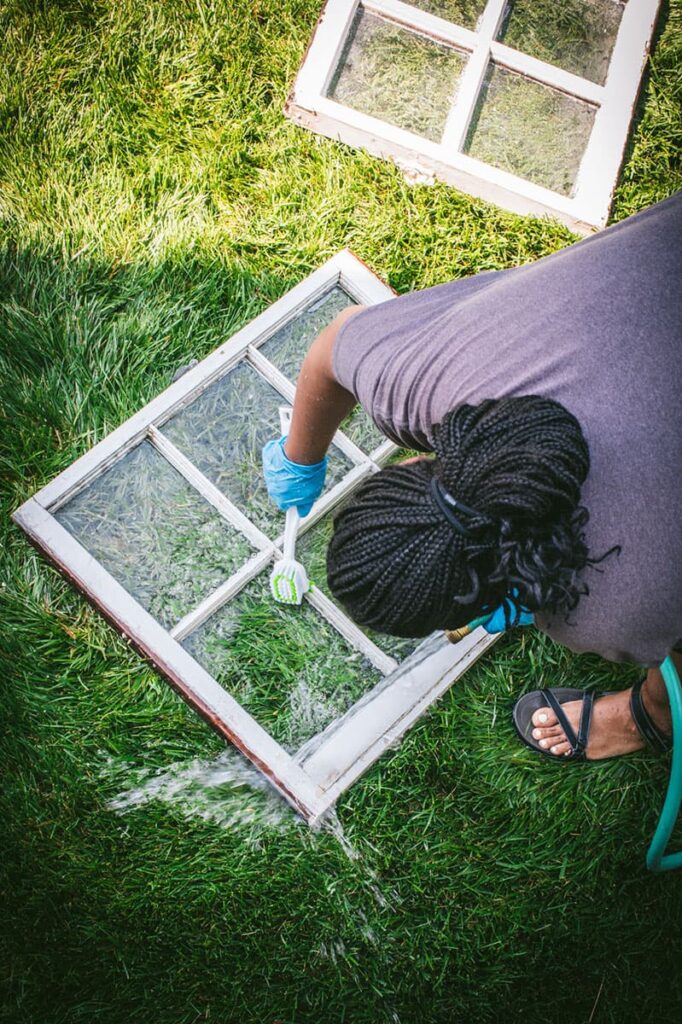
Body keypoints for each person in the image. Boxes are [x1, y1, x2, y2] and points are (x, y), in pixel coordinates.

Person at [263, 192, 682, 762]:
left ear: (484, 600)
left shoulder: (609, 610)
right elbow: (337, 344)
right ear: (410, 467)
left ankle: (651, 715)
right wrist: (302, 454)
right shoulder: (425, 380)